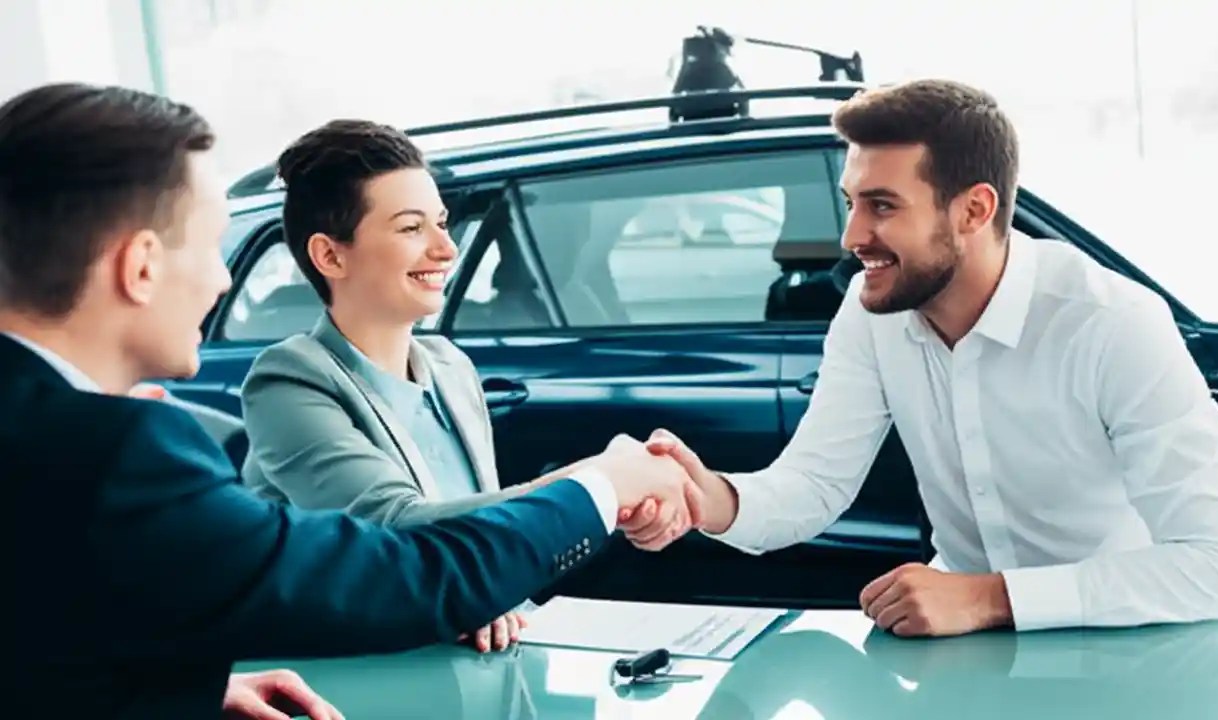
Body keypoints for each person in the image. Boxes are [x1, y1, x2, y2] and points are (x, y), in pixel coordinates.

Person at [0, 82, 699, 718]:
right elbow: (403, 567)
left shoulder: (42, 431)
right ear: (142, 266)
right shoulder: (123, 454)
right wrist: (602, 484)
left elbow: (38, 632)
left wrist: (191, 694)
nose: (222, 281)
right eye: (210, 247)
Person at [624, 78, 1218, 636]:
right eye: (852, 203)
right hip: (962, 650)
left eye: (882, 206)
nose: (851, 238)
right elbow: (814, 485)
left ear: (974, 211)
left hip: (1124, 647)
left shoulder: (1113, 323)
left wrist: (987, 598)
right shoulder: (870, 314)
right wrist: (709, 497)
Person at [237, 119, 668, 652]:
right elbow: (400, 534)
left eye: (442, 224)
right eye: (411, 228)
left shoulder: (450, 366)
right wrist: (601, 481)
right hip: (353, 669)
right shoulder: (287, 382)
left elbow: (480, 548)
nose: (446, 249)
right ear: (330, 255)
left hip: (470, 654)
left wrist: (488, 588)